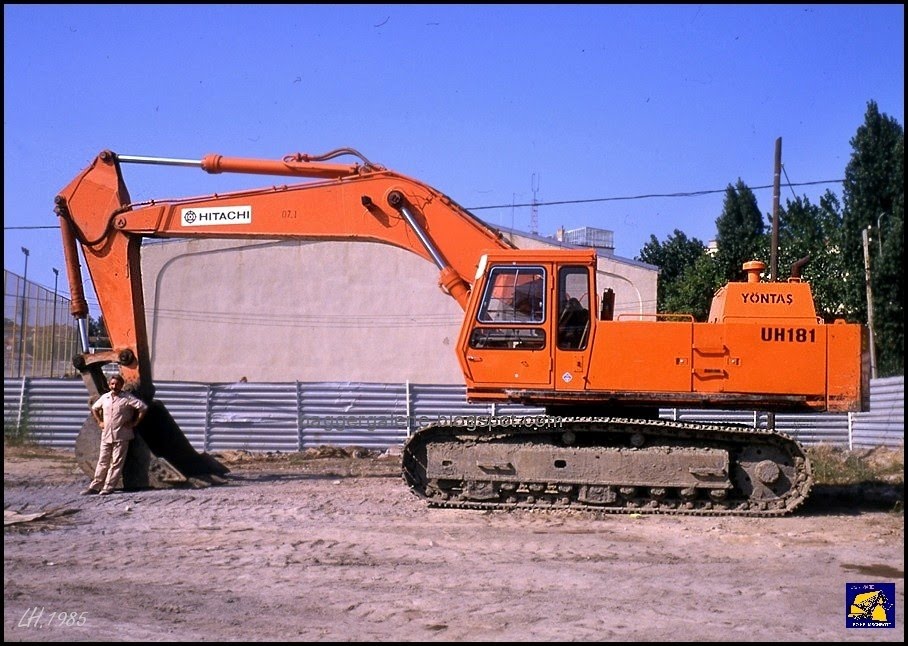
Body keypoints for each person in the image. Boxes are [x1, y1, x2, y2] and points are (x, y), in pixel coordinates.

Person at [81, 374, 149, 496]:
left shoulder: (127, 398)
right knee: (102, 461)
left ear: (121, 385)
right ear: (109, 385)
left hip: (122, 435)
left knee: (116, 463)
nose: (114, 386)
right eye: (112, 384)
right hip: (106, 435)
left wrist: (134, 422)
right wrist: (99, 421)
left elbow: (143, 408)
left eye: (117, 384)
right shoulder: (105, 398)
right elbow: (95, 408)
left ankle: (108, 487)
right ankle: (95, 486)